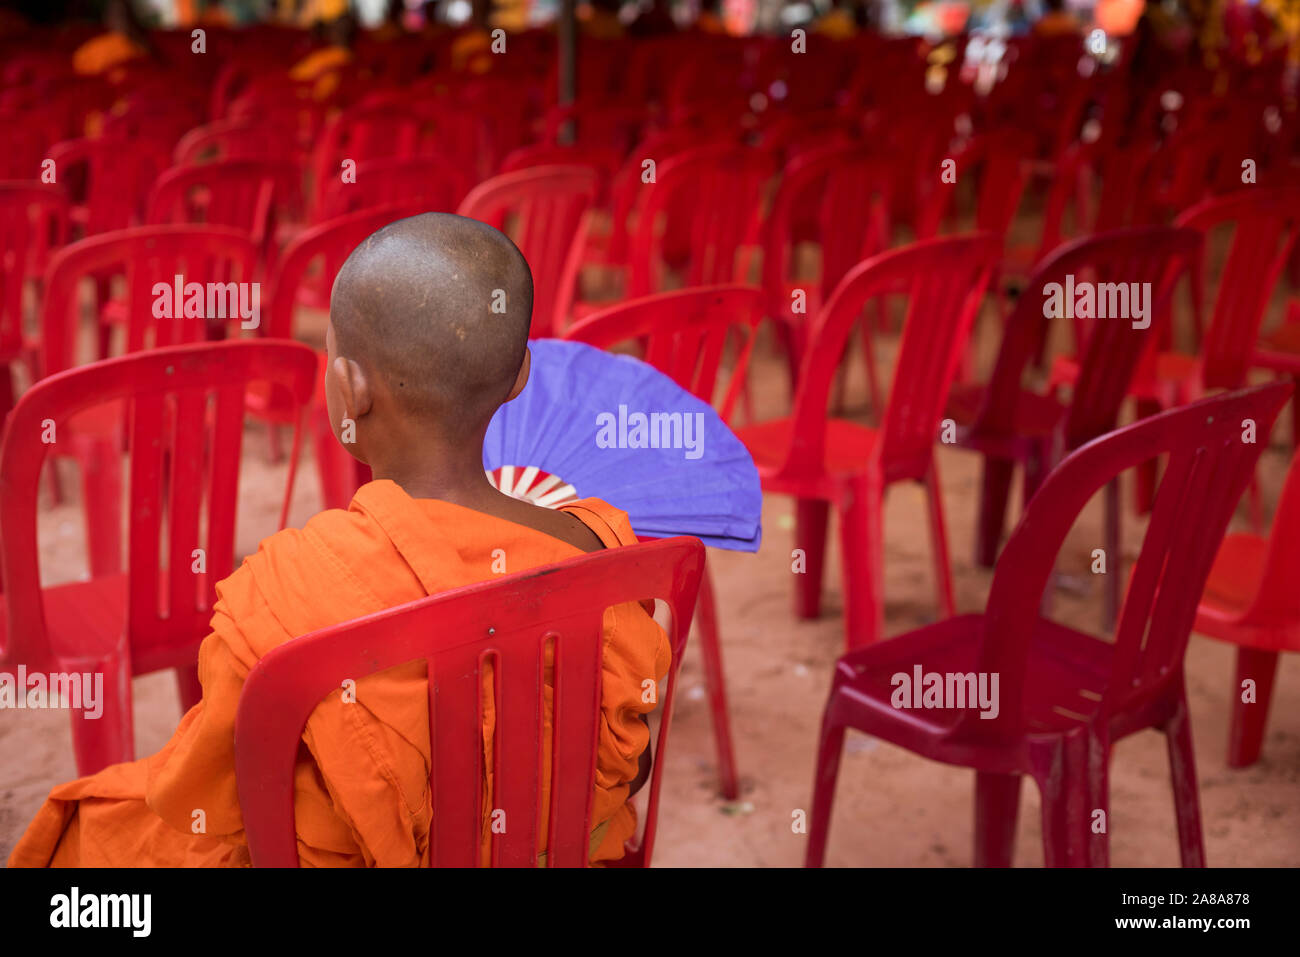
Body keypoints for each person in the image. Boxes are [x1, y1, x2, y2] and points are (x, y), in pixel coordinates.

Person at [8, 214, 669, 868]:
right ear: (520, 375)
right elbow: (629, 759)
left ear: (348, 390)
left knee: (89, 825)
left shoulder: (287, 591)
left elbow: (220, 802)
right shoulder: (602, 549)